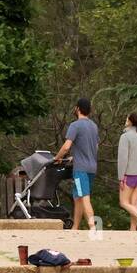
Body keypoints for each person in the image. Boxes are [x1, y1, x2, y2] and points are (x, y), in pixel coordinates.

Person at [54, 98, 99, 231]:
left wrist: (57, 157)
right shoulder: (94, 126)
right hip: (92, 167)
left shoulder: (75, 125)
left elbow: (67, 146)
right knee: (78, 196)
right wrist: (77, 155)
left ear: (78, 109)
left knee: (84, 196)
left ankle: (92, 227)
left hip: (81, 169)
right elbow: (95, 147)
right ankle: (75, 227)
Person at [117, 113, 137, 231]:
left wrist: (121, 177)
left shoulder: (125, 137)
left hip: (130, 174)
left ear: (130, 121)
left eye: (127, 118)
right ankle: (133, 230)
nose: (125, 120)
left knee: (123, 202)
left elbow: (123, 159)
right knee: (133, 203)